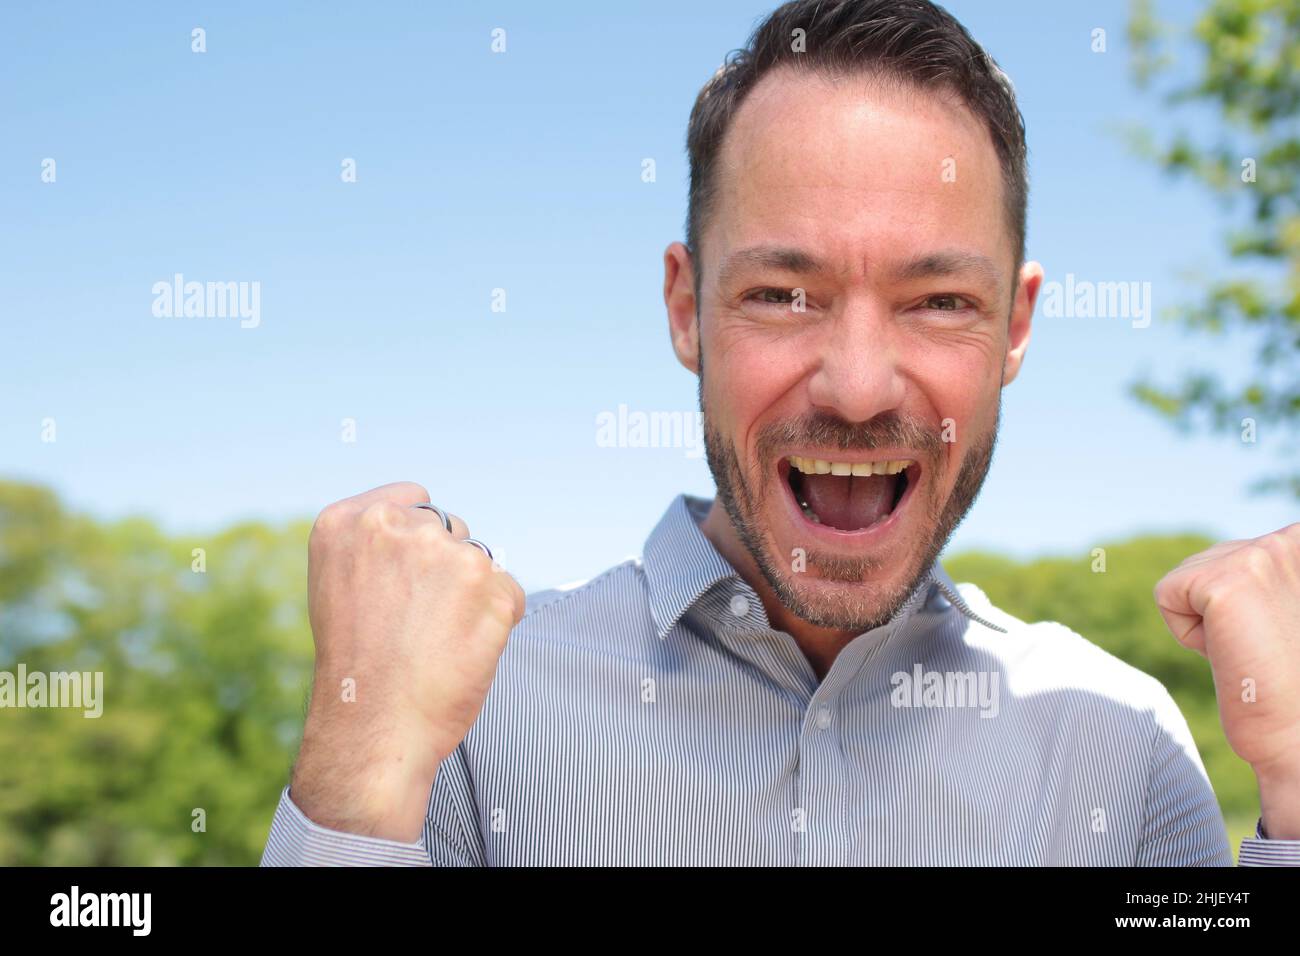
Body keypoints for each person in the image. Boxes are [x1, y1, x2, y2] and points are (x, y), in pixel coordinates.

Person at [261, 0, 1300, 866]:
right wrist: (356, 781)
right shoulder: (464, 720)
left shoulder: (1118, 745)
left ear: (1015, 327)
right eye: (782, 292)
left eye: (937, 300)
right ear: (685, 307)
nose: (855, 388)